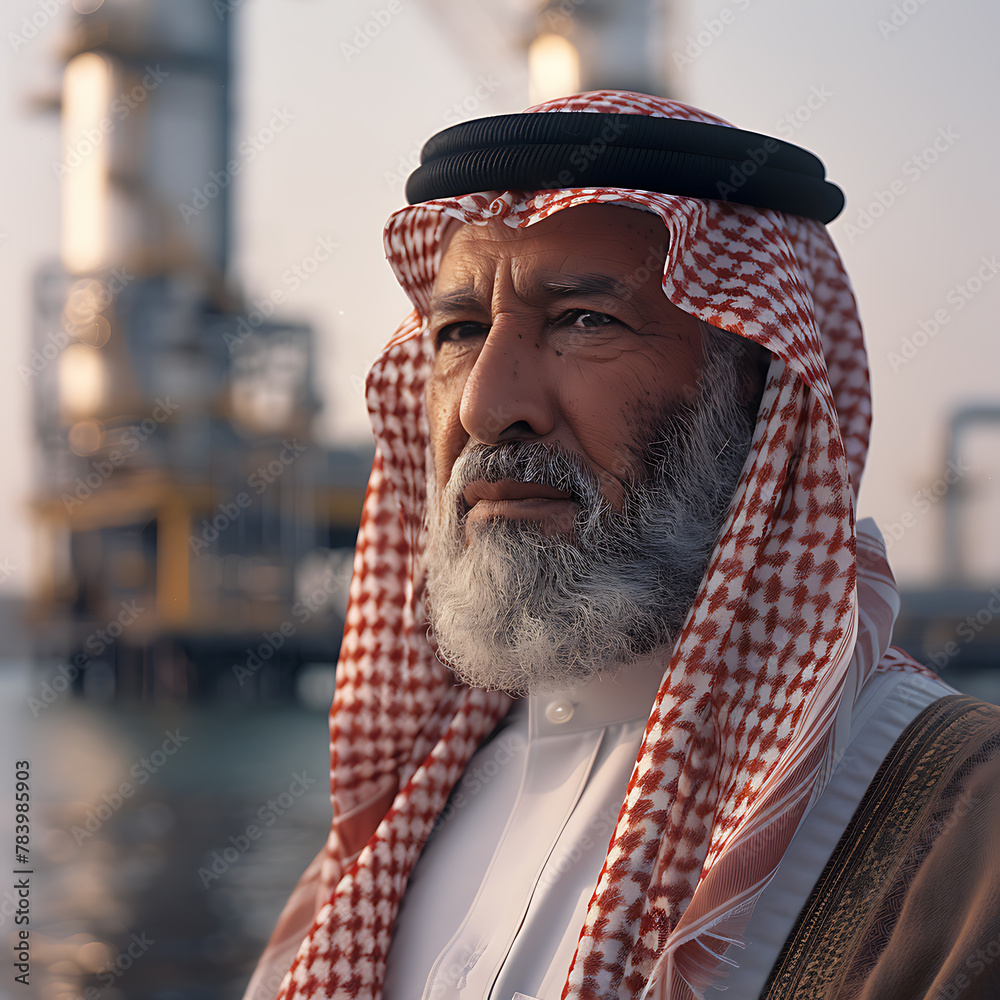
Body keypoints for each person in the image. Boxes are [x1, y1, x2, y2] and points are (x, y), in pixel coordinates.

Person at [244, 91, 1000, 1000]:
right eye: (458, 333)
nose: (488, 406)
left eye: (584, 322)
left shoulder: (962, 823)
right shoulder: (402, 826)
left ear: (759, 398)